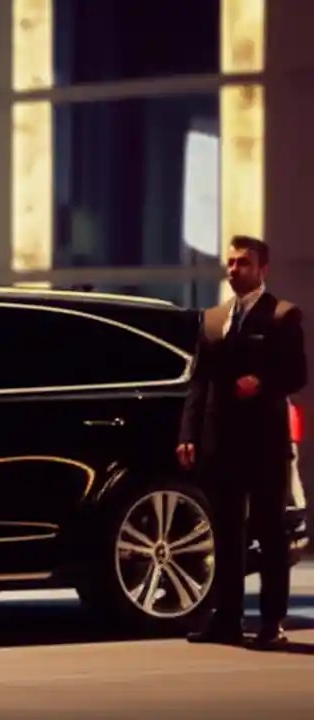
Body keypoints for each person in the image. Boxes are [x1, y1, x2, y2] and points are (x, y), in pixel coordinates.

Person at [178, 235, 306, 648]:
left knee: (269, 534)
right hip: (221, 443)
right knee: (225, 534)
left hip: (266, 444)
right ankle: (227, 619)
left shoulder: (283, 316)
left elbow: (298, 375)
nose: (235, 270)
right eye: (231, 263)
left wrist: (263, 382)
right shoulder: (213, 319)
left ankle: (272, 622)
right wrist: (188, 434)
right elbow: (198, 383)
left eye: (244, 263)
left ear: (262, 268)